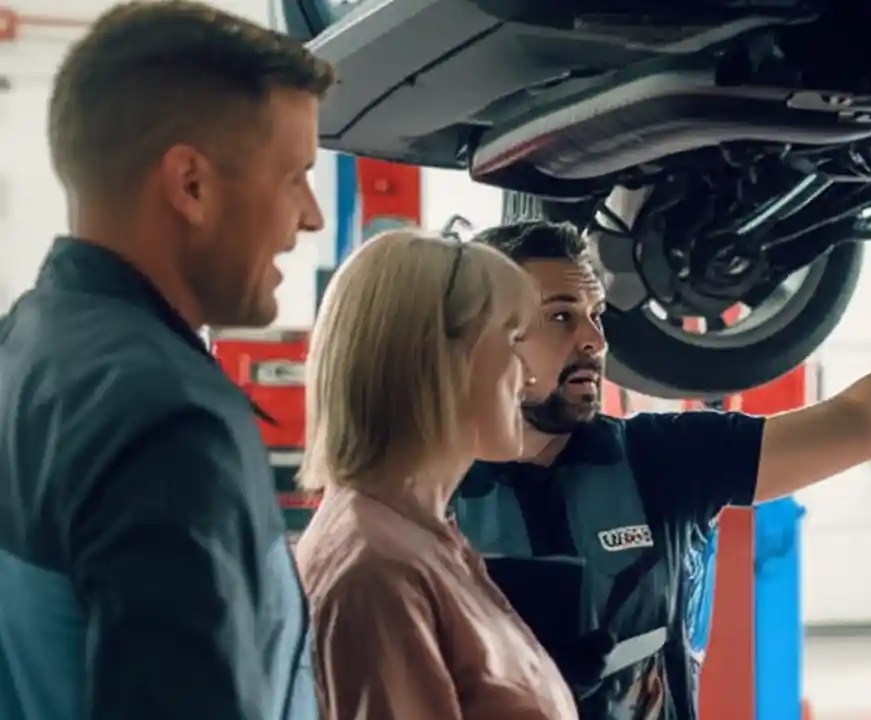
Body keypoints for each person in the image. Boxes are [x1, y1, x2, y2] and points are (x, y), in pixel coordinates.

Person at [453, 212, 871, 720]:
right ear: (486, 334)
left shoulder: (661, 461)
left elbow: (861, 420)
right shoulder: (424, 491)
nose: (595, 339)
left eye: (595, 314)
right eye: (562, 316)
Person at [0, 3, 333, 719]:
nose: (312, 216)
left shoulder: (24, 347)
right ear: (191, 186)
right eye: (295, 176)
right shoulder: (169, 419)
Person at [294, 230, 579, 720]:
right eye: (511, 341)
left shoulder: (415, 536)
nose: (527, 375)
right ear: (442, 360)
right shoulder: (378, 570)